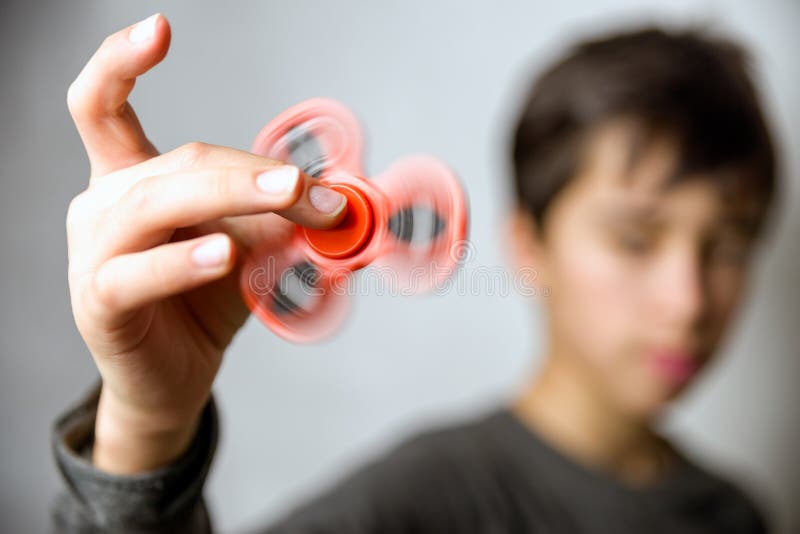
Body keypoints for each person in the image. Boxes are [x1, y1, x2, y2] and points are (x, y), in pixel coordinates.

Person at [51, 12, 778, 533]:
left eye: (729, 246)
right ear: (528, 244)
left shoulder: (735, 513)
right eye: (635, 238)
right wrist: (146, 428)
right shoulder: (416, 506)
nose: (689, 301)